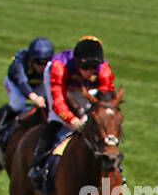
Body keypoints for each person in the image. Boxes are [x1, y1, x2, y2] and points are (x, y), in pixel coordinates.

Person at [27, 36, 114, 183]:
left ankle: (114, 168)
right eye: (85, 67)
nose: (89, 72)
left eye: (94, 68)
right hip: (61, 83)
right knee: (56, 119)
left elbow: (106, 103)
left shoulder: (104, 71)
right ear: (76, 62)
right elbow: (58, 101)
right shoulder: (58, 67)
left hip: (83, 88)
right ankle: (37, 165)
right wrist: (71, 120)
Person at [2, 37, 54, 129]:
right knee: (18, 104)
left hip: (38, 84)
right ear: (31, 59)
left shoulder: (53, 64)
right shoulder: (20, 62)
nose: (43, 66)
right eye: (39, 62)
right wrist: (35, 98)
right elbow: (22, 82)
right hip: (15, 84)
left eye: (46, 62)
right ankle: (1, 130)